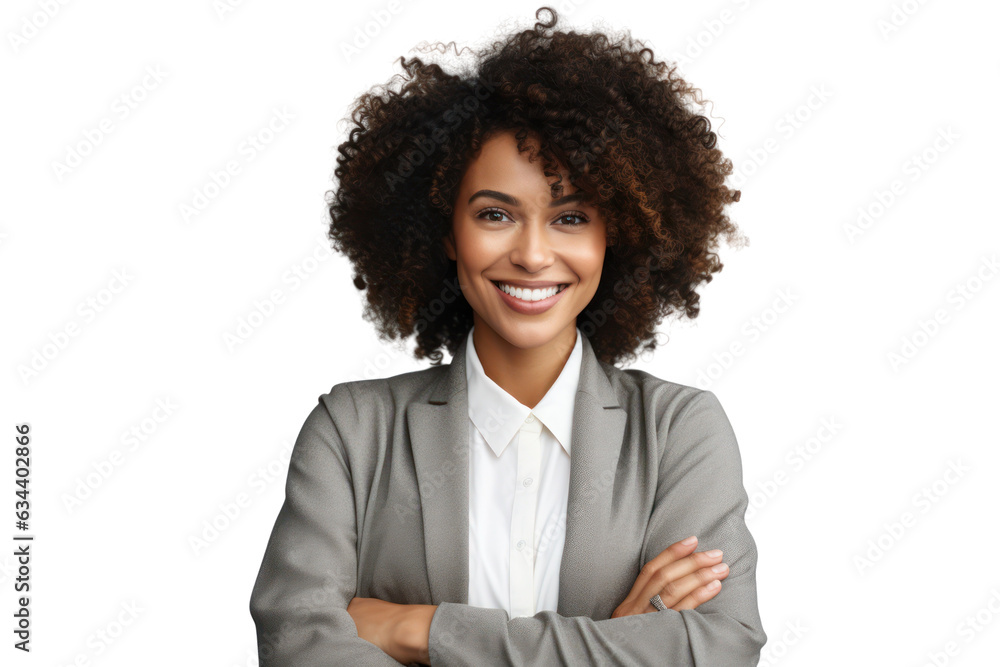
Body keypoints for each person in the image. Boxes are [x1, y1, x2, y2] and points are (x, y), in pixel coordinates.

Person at [249, 6, 765, 665]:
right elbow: (297, 646)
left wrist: (420, 630)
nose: (532, 255)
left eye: (570, 218)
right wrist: (616, 641)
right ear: (445, 231)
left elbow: (717, 649)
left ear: (616, 233)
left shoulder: (677, 432)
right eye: (495, 214)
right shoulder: (352, 432)